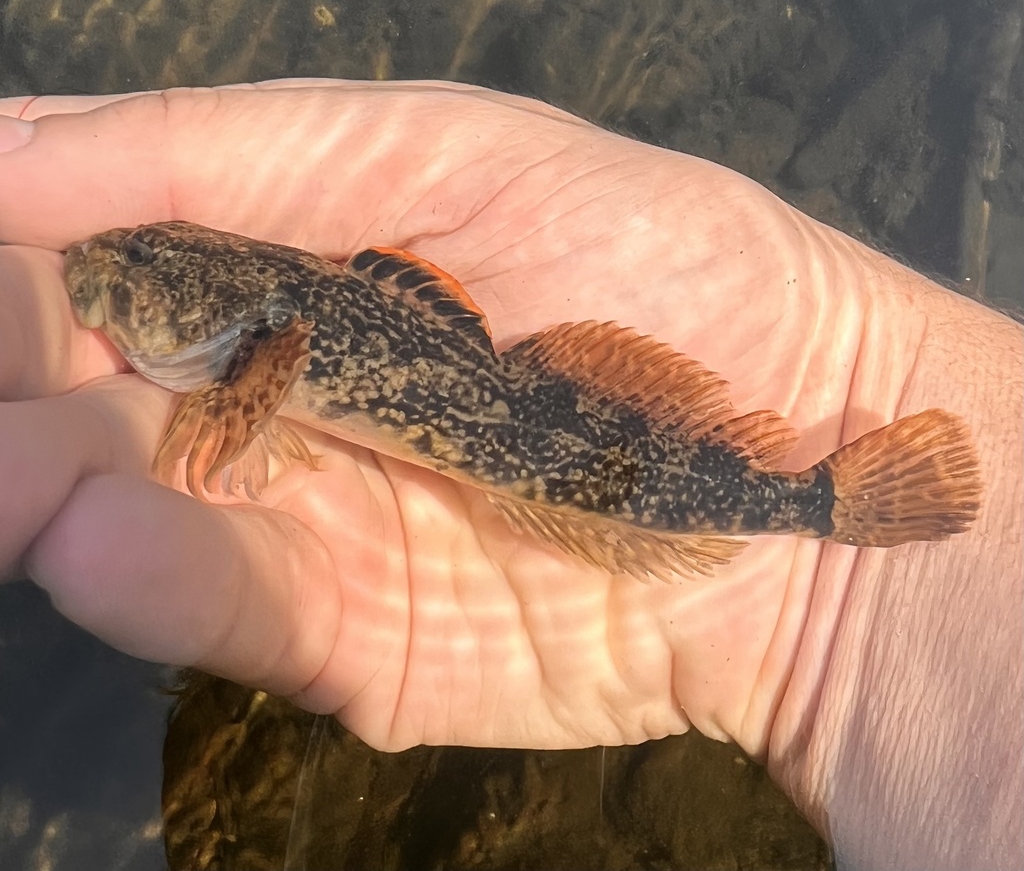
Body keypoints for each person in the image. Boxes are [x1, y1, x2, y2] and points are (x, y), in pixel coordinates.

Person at [0, 80, 1019, 870]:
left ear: (216, 312)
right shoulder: (257, 310)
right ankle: (819, 503)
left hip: (589, 447)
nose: (105, 279)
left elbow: (289, 337)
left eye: (134, 274)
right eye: (130, 263)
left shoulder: (263, 333)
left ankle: (822, 502)